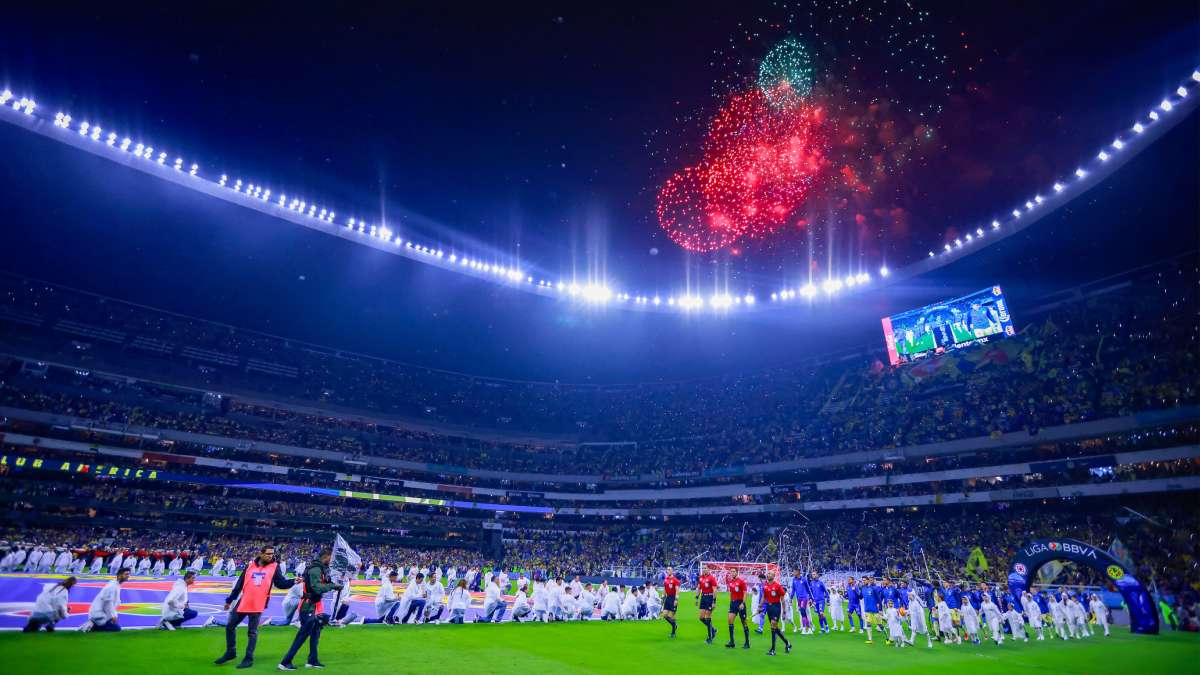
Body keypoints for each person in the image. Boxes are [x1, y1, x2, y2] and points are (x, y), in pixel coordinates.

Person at [215, 545, 295, 669]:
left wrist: (294, 581)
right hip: (244, 601)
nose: (270, 556)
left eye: (272, 554)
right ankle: (231, 652)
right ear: (261, 553)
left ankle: (248, 658)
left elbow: (281, 584)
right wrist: (229, 600)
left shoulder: (275, 567)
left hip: (258, 603)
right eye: (268, 554)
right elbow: (239, 584)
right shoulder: (250, 565)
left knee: (252, 632)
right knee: (230, 626)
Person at [278, 548, 342, 671]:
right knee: (302, 636)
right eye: (331, 558)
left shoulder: (319, 568)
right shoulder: (316, 569)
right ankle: (285, 662)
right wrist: (333, 586)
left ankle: (312, 660)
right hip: (308, 606)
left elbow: (323, 583)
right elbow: (317, 588)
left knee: (315, 634)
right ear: (326, 556)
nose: (331, 560)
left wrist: (334, 584)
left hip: (313, 605)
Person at [762, 572, 791, 656]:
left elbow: (782, 599)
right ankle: (787, 643)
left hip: (776, 607)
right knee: (774, 628)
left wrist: (784, 611)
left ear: (774, 576)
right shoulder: (765, 585)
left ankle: (773, 650)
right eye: (768, 574)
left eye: (770, 574)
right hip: (769, 607)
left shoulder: (778, 586)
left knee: (773, 626)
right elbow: (764, 597)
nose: (768, 575)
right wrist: (760, 606)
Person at [725, 568, 751, 649]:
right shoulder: (731, 582)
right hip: (733, 603)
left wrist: (743, 603)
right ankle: (732, 642)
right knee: (730, 620)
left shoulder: (741, 582)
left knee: (744, 622)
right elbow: (731, 593)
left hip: (740, 603)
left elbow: (745, 593)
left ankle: (747, 642)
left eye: (733, 572)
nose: (732, 573)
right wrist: (731, 602)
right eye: (731, 572)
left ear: (737, 572)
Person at [696, 568, 718, 643]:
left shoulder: (711, 578)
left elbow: (715, 590)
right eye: (704, 568)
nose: (705, 570)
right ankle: (713, 630)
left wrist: (714, 602)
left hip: (710, 597)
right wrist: (696, 598)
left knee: (708, 617)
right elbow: (699, 588)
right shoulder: (701, 578)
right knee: (701, 618)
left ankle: (710, 638)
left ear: (709, 570)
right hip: (703, 597)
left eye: (706, 569)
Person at [661, 566, 680, 637]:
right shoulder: (666, 579)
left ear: (672, 571)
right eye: (667, 569)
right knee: (664, 615)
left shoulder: (675, 580)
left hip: (673, 598)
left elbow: (677, 590)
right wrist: (663, 597)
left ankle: (673, 633)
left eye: (669, 569)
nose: (668, 570)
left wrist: (676, 599)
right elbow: (665, 589)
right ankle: (675, 625)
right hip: (668, 598)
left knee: (672, 616)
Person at [790, 567, 810, 634]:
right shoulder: (794, 580)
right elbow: (793, 590)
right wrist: (791, 598)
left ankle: (804, 629)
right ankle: (809, 629)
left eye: (794, 571)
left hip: (804, 598)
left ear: (798, 572)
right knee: (803, 613)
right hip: (799, 599)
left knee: (802, 612)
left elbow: (808, 589)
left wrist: (811, 599)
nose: (793, 573)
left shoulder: (804, 579)